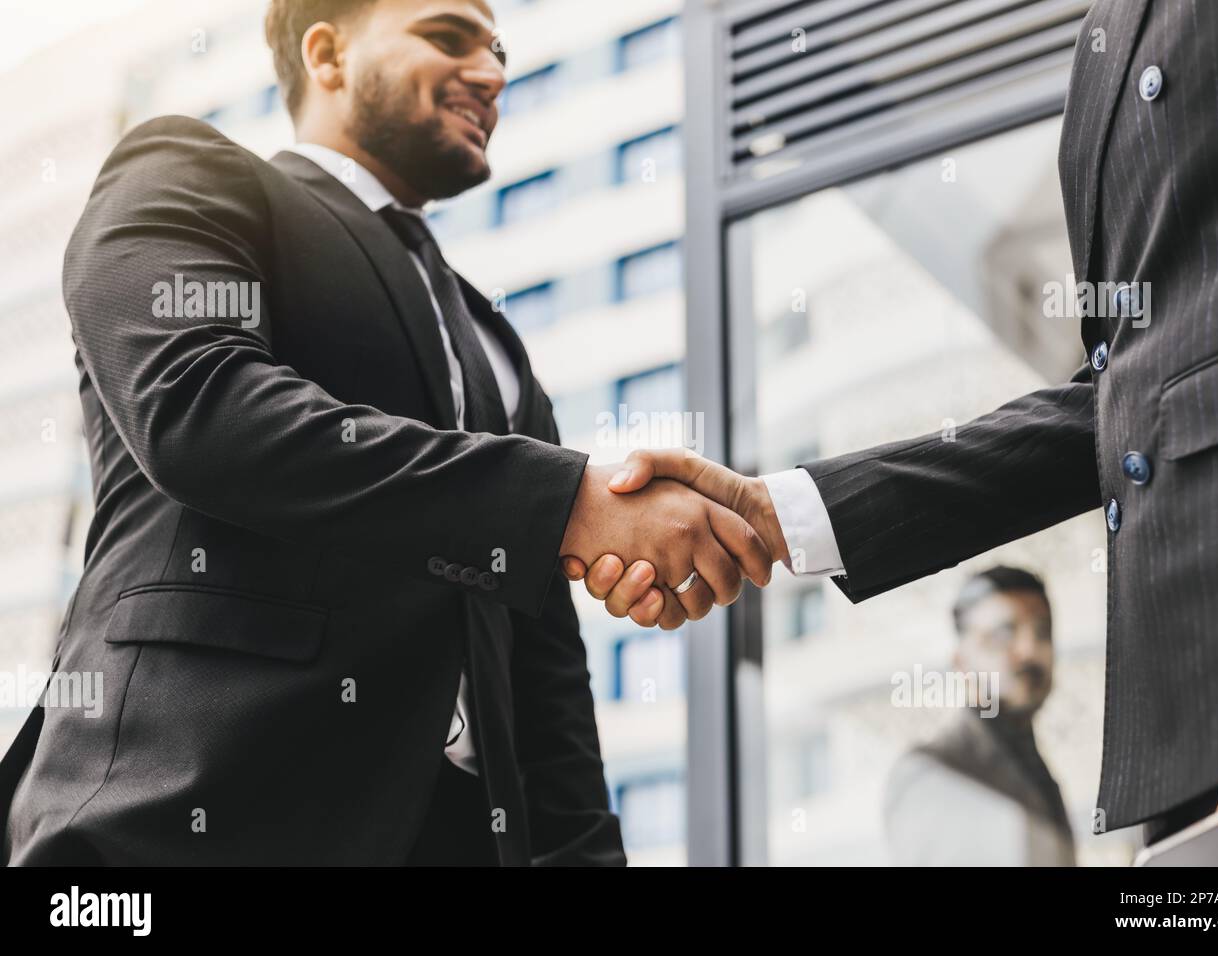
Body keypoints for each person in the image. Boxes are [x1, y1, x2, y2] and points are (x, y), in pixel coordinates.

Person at [0, 0, 770, 866]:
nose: (492, 73)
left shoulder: (493, 345)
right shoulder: (186, 174)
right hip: (185, 817)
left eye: (499, 49)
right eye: (448, 37)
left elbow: (540, 652)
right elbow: (197, 407)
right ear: (326, 54)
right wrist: (562, 502)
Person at [568, 0, 1218, 866]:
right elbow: (1122, 402)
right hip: (1197, 739)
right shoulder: (1102, 46)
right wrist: (778, 512)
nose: (1026, 653)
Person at [884, 567, 1075, 867]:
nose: (1030, 650)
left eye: (1042, 631)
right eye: (1003, 634)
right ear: (962, 662)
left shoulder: (1043, 777)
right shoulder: (931, 771)